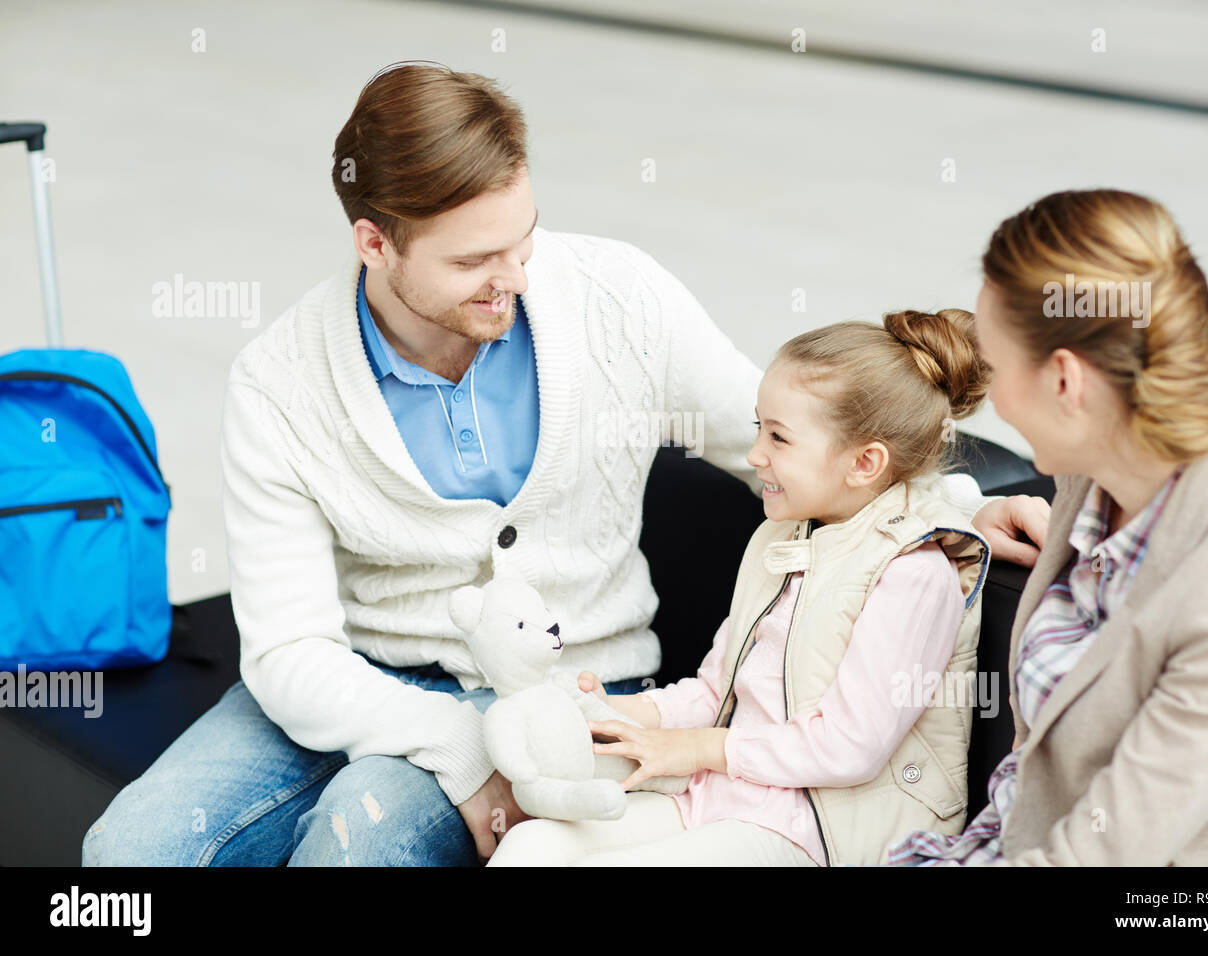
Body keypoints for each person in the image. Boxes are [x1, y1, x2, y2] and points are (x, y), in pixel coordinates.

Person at [81, 62, 1041, 867]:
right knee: (128, 855)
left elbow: (806, 447)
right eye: (474, 262)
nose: (516, 278)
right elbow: (290, 655)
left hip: (577, 693)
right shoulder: (279, 381)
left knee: (356, 838)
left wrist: (944, 504)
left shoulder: (616, 297)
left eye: (523, 239)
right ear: (374, 241)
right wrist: (471, 746)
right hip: (359, 676)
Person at [488, 309, 996, 866]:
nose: (755, 455)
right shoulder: (779, 537)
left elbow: (850, 746)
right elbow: (718, 694)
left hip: (823, 833)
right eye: (759, 427)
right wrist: (616, 714)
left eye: (779, 437)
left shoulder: (913, 574)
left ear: (865, 463)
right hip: (728, 794)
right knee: (531, 846)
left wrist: (698, 748)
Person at [888, 188, 1208, 866]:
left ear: (1065, 384)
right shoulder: (1096, 473)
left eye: (996, 363)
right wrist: (966, 520)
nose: (988, 395)